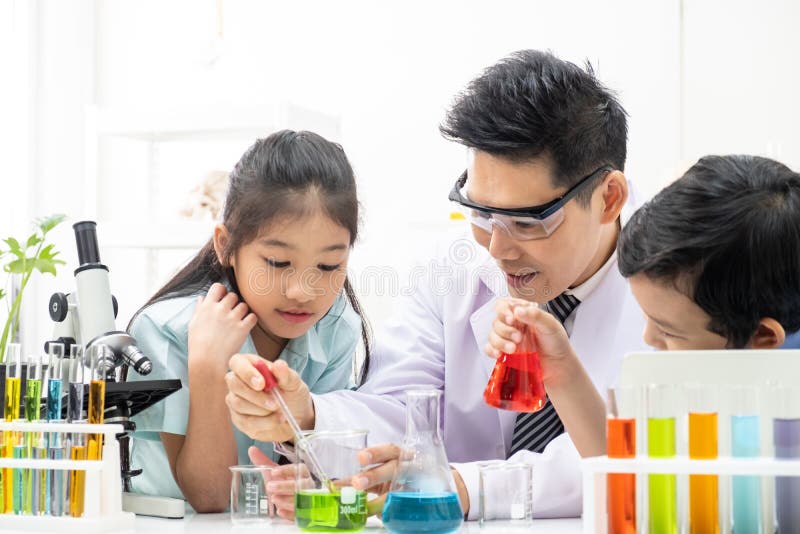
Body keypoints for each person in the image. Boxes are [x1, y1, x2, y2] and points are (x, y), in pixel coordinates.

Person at [226, 49, 649, 519]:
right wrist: (307, 415)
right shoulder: (451, 270)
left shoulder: (671, 291)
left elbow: (636, 455)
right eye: (481, 212)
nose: (497, 248)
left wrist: (464, 487)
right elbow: (402, 410)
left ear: (608, 198)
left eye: (528, 222)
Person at [487, 154, 800, 454]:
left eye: (669, 331)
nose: (648, 337)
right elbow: (622, 462)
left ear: (762, 337)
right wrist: (561, 369)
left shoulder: (782, 422)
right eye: (648, 317)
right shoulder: (694, 376)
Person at [126, 130, 370, 512]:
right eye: (277, 263)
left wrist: (310, 475)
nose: (302, 291)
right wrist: (207, 367)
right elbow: (210, 497)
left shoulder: (335, 328)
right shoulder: (165, 330)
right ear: (226, 245)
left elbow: (318, 477)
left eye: (328, 265)